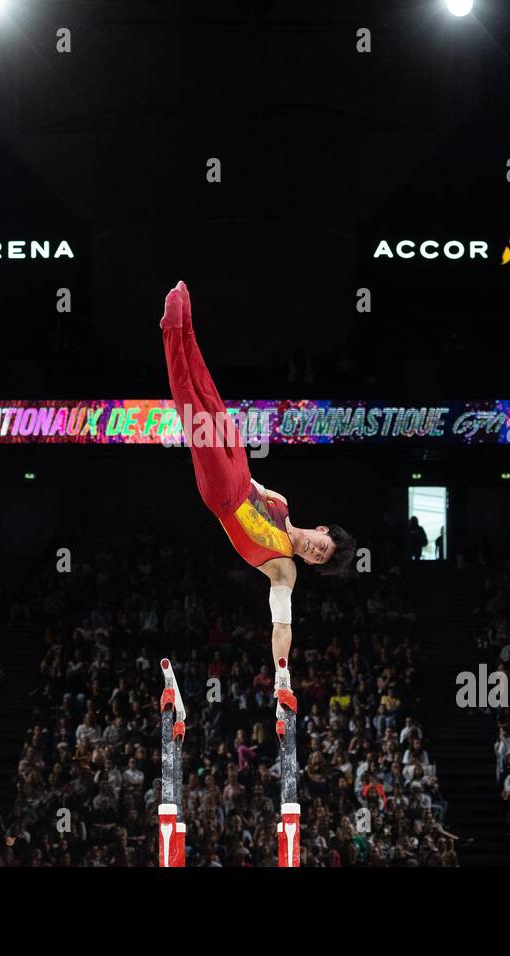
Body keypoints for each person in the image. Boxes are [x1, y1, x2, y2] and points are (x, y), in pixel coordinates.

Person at [158, 280, 356, 722]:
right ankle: (187, 327)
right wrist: (242, 468)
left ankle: (170, 327)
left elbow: (281, 626)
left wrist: (281, 677)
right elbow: (255, 485)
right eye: (322, 546)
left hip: (224, 497)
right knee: (208, 394)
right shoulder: (283, 503)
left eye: (319, 560)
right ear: (321, 530)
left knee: (190, 406)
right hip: (241, 470)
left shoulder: (284, 566)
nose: (314, 551)